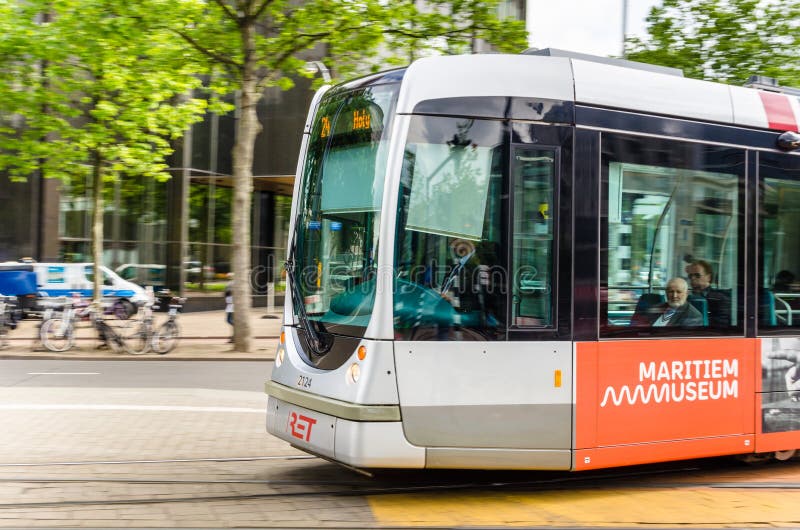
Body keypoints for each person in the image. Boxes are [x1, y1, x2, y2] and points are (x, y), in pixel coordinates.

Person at [632, 277, 704, 327]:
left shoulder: (693, 315)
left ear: (686, 293)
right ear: (666, 293)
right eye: (671, 292)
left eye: (678, 292)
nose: (674, 295)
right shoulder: (656, 307)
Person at [685, 259, 731, 327]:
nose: (693, 279)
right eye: (690, 276)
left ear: (708, 277)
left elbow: (721, 324)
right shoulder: (687, 298)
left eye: (697, 275)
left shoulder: (719, 299)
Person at [224, 276, 234, 343]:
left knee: (229, 320)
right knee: (229, 320)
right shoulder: (230, 284)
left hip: (231, 308)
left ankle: (233, 337)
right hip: (230, 308)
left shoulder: (230, 284)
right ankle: (232, 338)